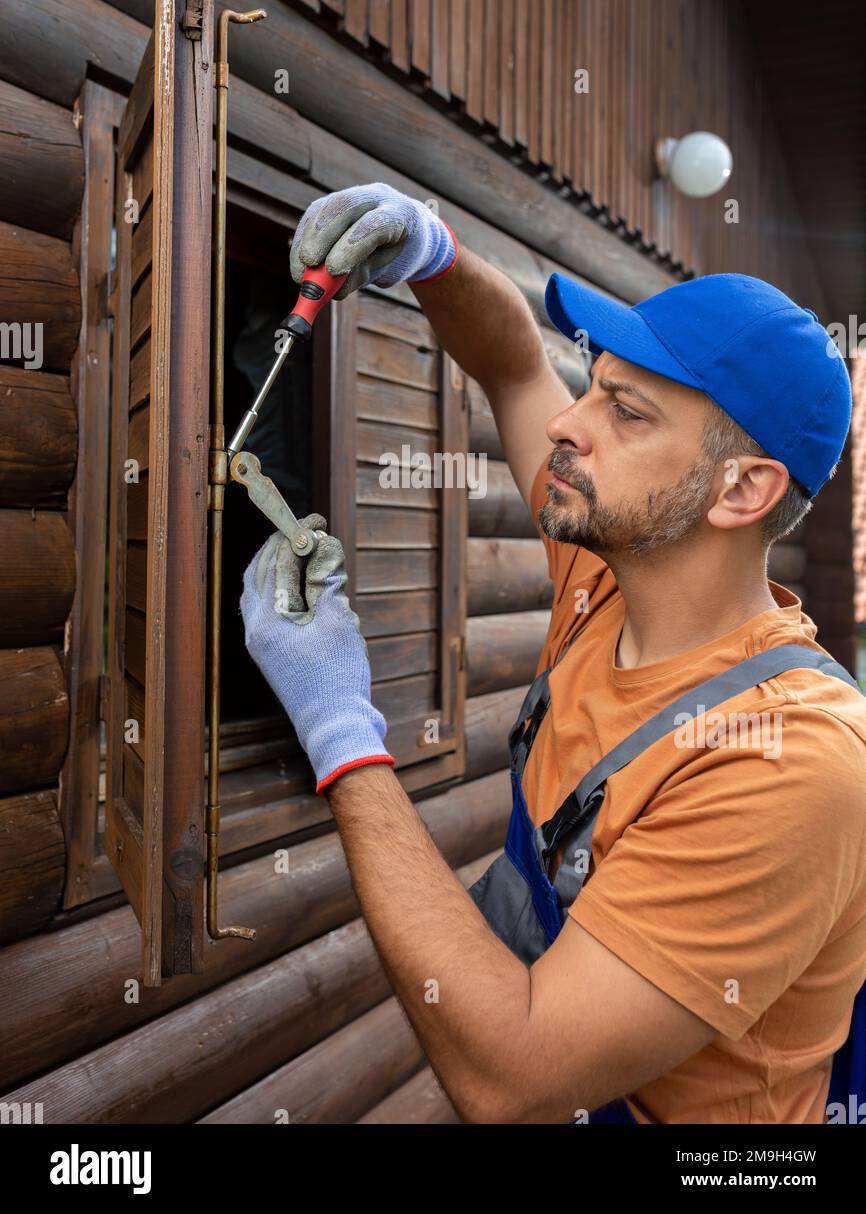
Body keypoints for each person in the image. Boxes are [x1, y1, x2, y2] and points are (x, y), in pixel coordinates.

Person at [239, 183, 866, 1124]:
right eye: (596, 385)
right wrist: (432, 254)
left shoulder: (789, 762)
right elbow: (515, 366)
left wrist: (337, 724)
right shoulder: (605, 580)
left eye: (628, 411)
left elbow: (515, 1075)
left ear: (744, 492)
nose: (571, 424)